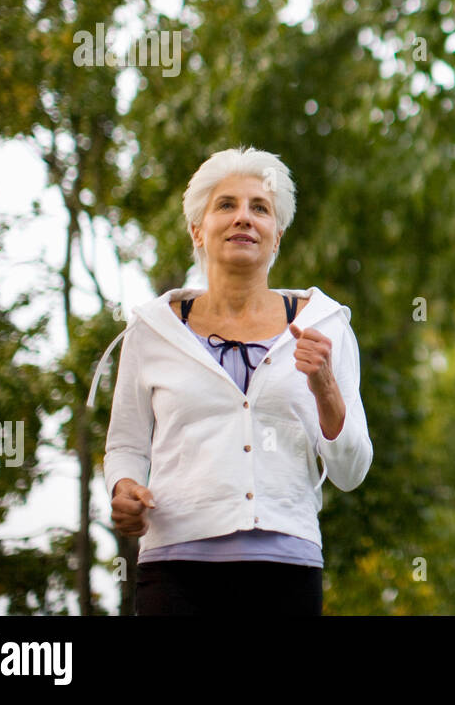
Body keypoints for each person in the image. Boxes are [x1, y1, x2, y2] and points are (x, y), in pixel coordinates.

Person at [102, 146, 373, 615]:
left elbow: (351, 472)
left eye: (260, 208)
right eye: (226, 205)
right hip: (174, 570)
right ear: (197, 230)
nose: (243, 218)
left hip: (287, 570)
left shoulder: (325, 326)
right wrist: (123, 487)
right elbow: (126, 445)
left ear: (277, 235)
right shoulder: (151, 329)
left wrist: (325, 386)